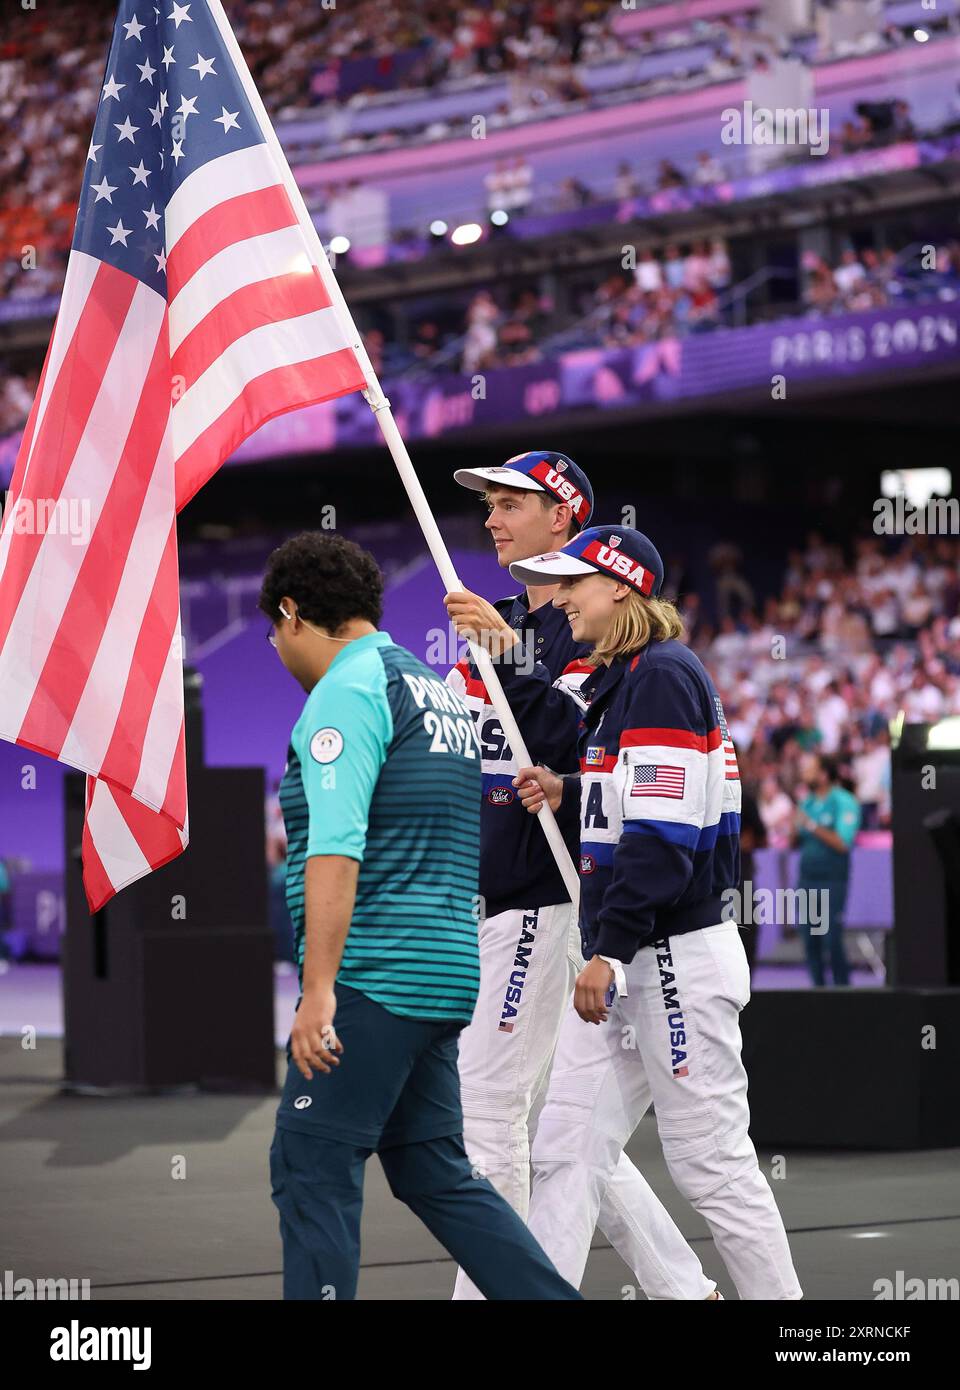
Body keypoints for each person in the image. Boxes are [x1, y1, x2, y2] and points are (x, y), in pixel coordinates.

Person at [467, 525, 802, 1298]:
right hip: (643, 957)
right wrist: (570, 791)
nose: (562, 604)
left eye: (573, 586)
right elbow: (641, 804)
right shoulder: (632, 680)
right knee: (564, 1150)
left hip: (669, 956)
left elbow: (662, 836)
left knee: (711, 1165)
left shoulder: (660, 678)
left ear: (618, 587)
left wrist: (609, 952)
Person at [261, 532, 580, 1301]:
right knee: (438, 1174)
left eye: (275, 632)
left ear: (293, 613)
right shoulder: (431, 687)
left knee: (310, 1164)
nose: (276, 649)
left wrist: (317, 992)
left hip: (374, 977)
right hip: (443, 975)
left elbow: (335, 849)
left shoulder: (347, 691)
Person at [444, 454, 718, 1300]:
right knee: (562, 1133)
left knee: (489, 1116)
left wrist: (501, 658)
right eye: (487, 504)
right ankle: (682, 1288)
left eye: (510, 503)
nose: (492, 519)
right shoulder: (524, 627)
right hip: (513, 892)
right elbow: (484, 759)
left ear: (563, 517)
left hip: (548, 898)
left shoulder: (583, 633)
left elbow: (563, 747)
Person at [793, 752, 861, 987]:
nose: (805, 773)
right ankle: (817, 992)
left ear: (823, 774)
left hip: (832, 880)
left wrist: (811, 825)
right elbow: (796, 839)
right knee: (810, 939)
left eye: (810, 769)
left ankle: (843, 991)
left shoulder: (844, 801)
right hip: (807, 878)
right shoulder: (806, 802)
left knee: (832, 938)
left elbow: (843, 843)